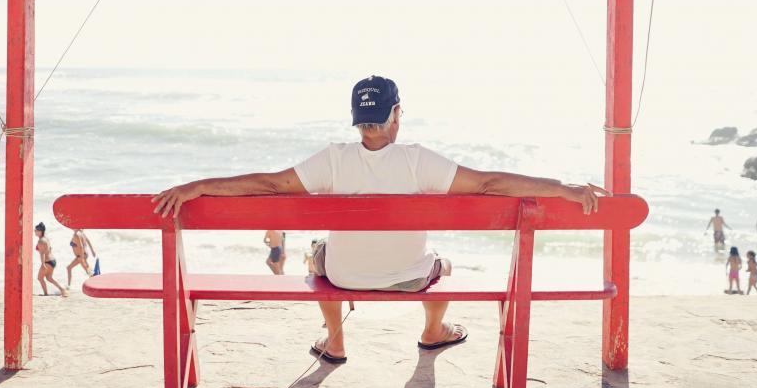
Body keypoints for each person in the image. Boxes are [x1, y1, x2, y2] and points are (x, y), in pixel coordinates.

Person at [152, 75, 606, 364]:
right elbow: (490, 183)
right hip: (409, 278)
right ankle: (433, 331)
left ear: (357, 120)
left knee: (317, 257)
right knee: (442, 264)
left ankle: (335, 341)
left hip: (344, 276)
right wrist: (562, 188)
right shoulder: (418, 161)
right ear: (396, 115)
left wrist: (198, 186)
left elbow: (268, 184)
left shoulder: (332, 160)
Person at [34, 223, 67, 297]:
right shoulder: (46, 238)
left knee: (40, 278)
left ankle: (46, 294)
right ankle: (62, 289)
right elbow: (50, 249)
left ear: (40, 231)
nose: (34, 231)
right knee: (49, 278)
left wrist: (43, 264)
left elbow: (42, 253)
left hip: (47, 262)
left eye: (36, 230)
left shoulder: (41, 241)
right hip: (52, 261)